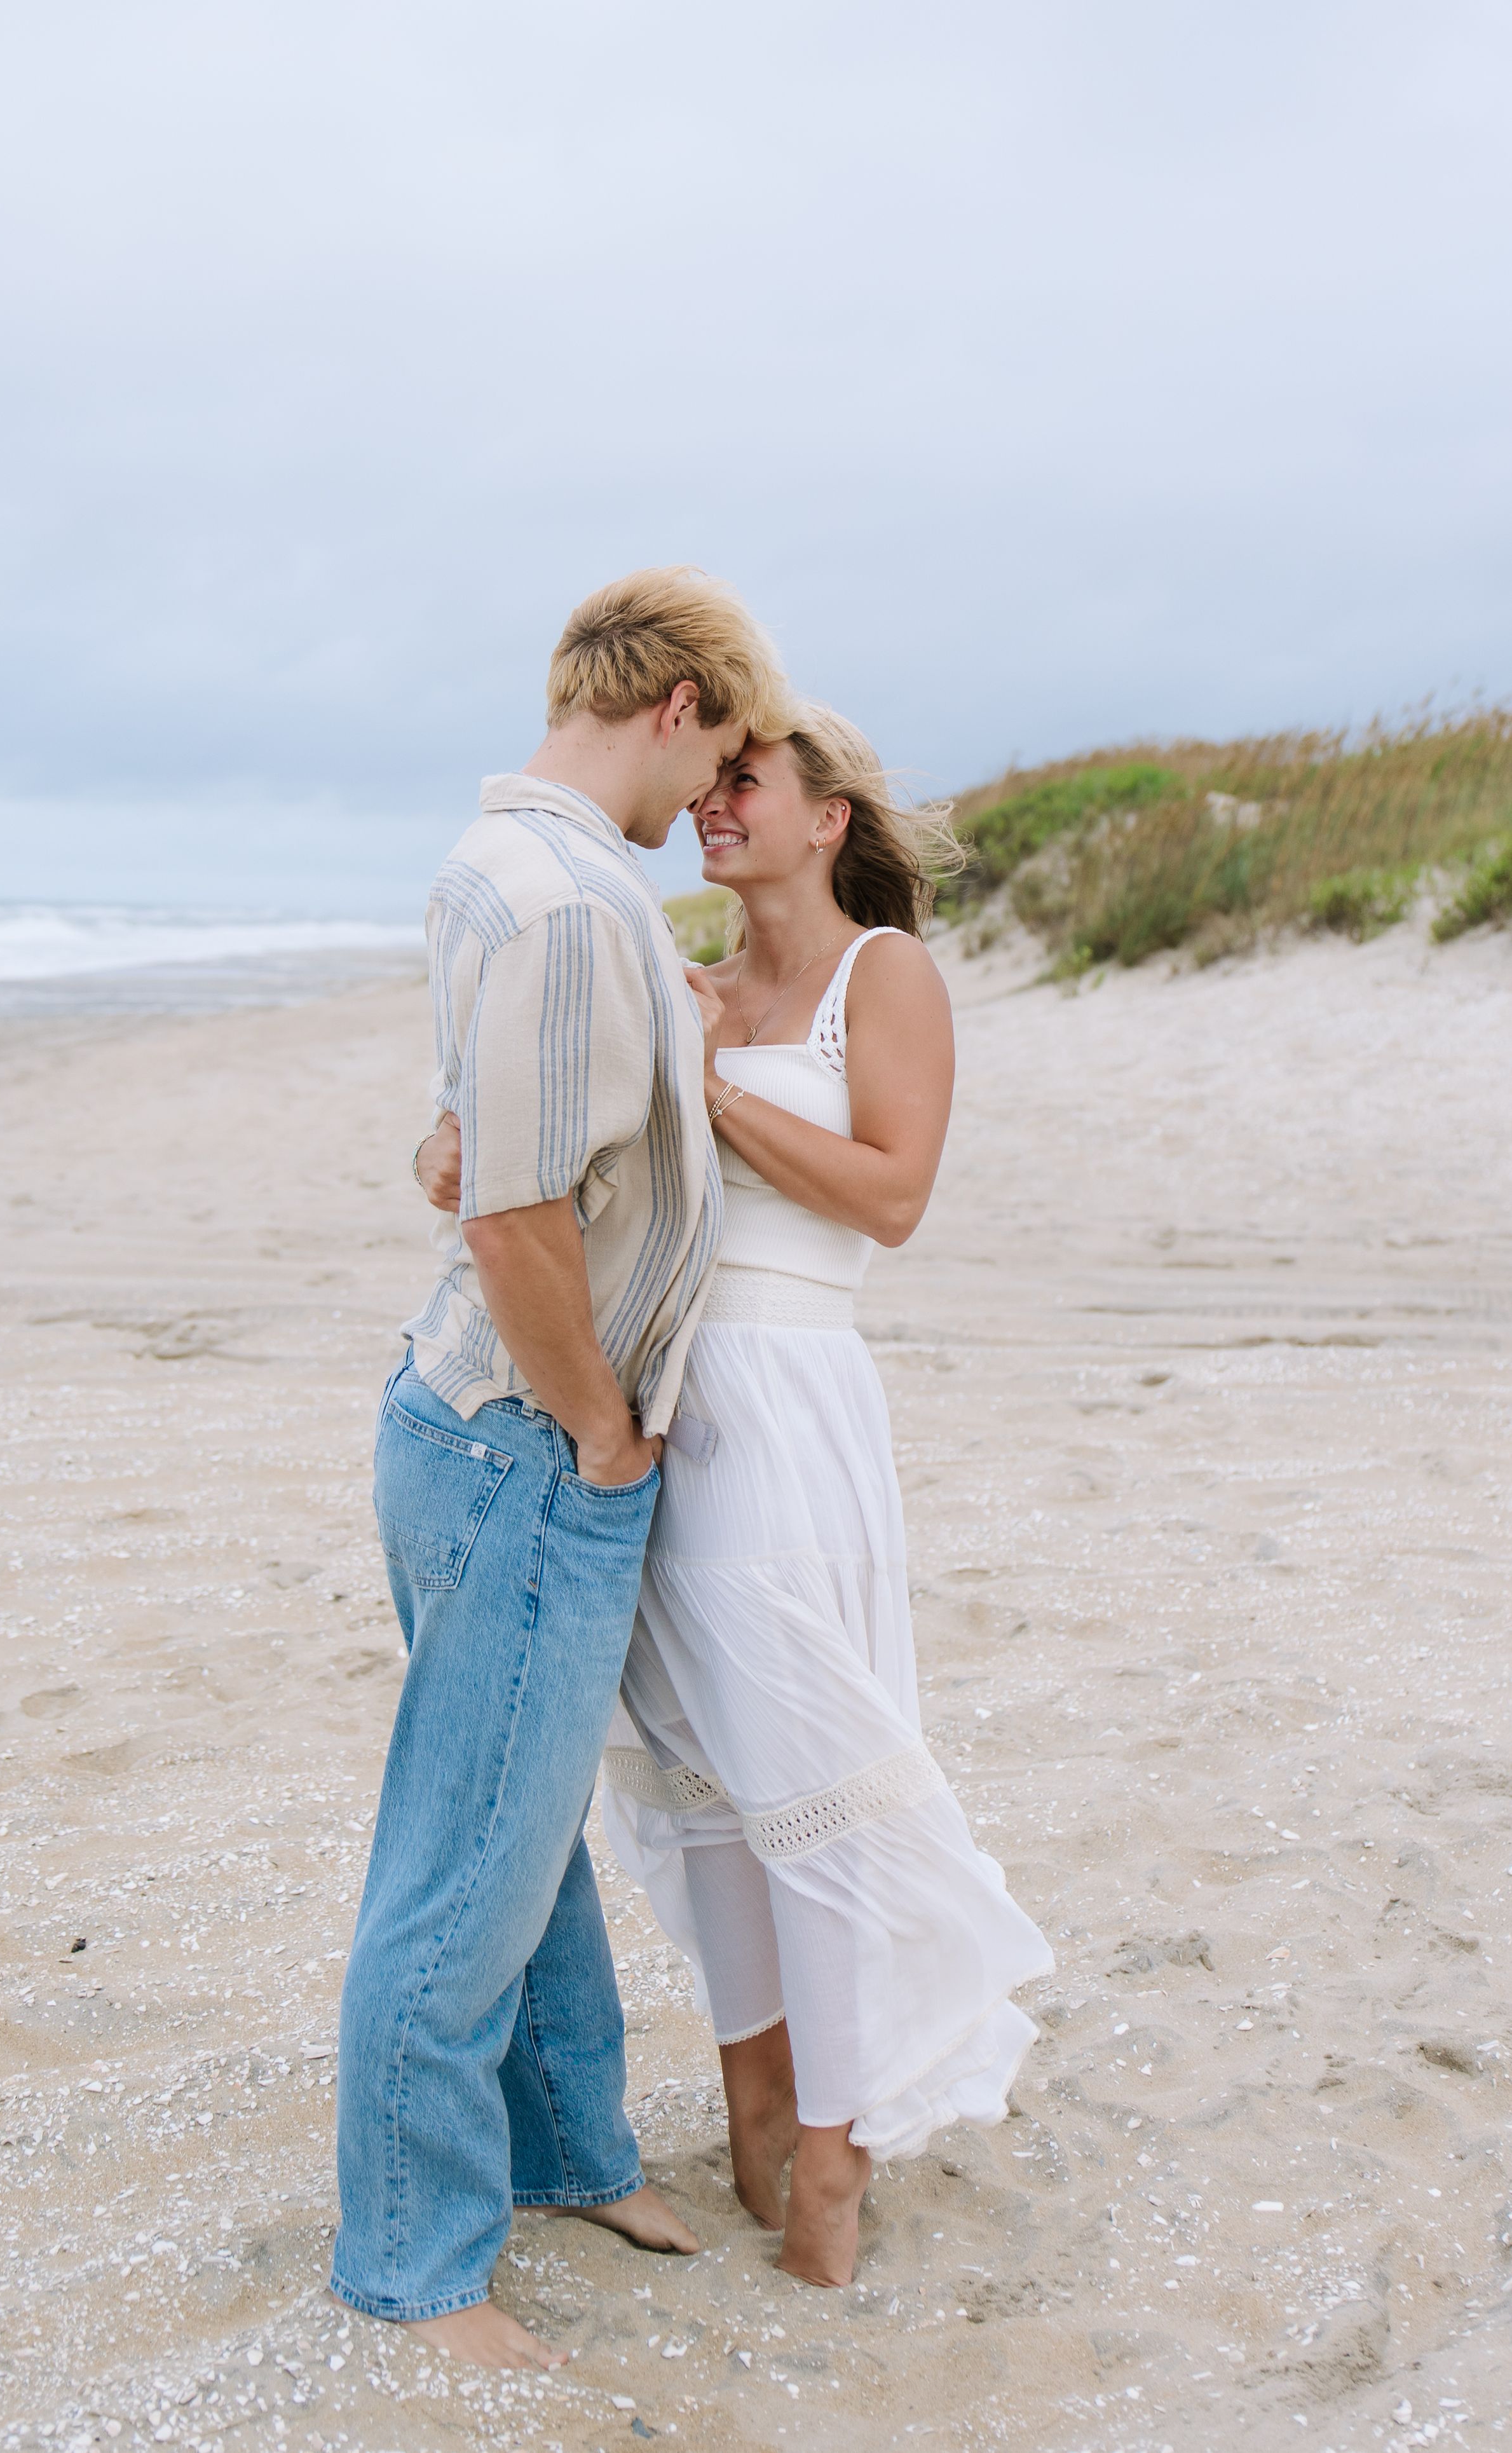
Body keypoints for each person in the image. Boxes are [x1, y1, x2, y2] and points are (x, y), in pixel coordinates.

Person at [418, 703, 1054, 2293]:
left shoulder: (880, 975)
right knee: (704, 1789)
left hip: (787, 1395)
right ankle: (755, 2110)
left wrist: (711, 1090)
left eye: (744, 783)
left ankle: (832, 2154)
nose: (712, 804)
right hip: (666, 1388)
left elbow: (893, 1197)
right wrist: (459, 1143)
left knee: (809, 1781)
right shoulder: (681, 972)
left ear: (827, 816)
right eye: (708, 782)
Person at [330, 567, 790, 2373]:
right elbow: (515, 1217)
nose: (716, 793)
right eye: (722, 749)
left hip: (475, 1421)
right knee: (467, 1864)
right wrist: (599, 1427)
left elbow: (474, 1140)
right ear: (673, 701)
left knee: (523, 1831)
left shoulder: (503, 866)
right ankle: (416, 2262)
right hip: (523, 1440)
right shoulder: (569, 903)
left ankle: (563, 2153)